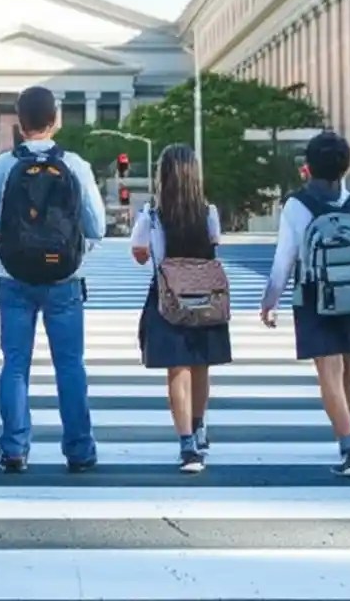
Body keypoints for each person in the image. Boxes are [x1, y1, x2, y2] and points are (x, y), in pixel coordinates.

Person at [0, 86, 106, 473]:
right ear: (56, 121)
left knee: (15, 364)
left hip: (14, 276)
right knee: (70, 365)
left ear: (19, 122)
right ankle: (79, 450)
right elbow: (97, 225)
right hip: (64, 279)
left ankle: (15, 448)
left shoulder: (3, 165)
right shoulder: (76, 165)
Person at [260, 130, 350, 477]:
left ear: (307, 168)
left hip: (316, 294)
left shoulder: (296, 206)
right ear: (345, 168)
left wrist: (270, 299)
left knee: (328, 371)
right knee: (347, 367)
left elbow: (285, 257)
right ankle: (348, 435)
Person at [130, 143, 231, 474]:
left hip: (168, 297)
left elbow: (139, 251)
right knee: (202, 365)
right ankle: (199, 428)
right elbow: (214, 246)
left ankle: (186, 443)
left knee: (178, 368)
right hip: (205, 296)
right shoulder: (208, 211)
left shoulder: (152, 215)